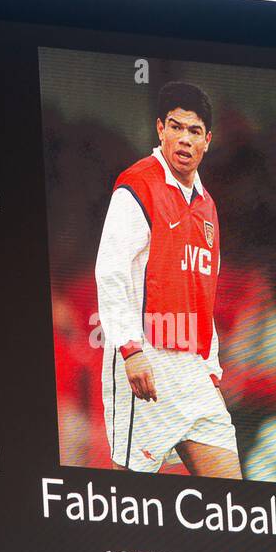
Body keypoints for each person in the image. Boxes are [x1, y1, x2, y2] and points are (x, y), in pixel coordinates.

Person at [94, 81, 241, 479]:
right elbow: (110, 271)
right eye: (176, 127)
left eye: (194, 132)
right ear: (160, 129)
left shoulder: (208, 206)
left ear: (207, 141)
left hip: (191, 372)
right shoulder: (137, 185)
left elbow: (202, 294)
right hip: (145, 360)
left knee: (233, 496)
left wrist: (211, 369)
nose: (184, 139)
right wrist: (130, 350)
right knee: (127, 502)